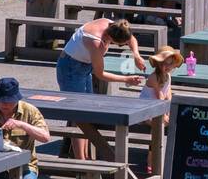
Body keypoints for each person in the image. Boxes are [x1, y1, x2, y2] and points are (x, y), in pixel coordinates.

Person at [56, 18, 145, 158]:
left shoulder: (114, 25)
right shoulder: (96, 42)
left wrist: (136, 55)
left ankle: (85, 155)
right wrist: (126, 79)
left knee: (87, 111)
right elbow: (100, 74)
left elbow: (131, 38)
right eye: (120, 45)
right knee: (78, 114)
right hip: (70, 68)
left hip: (84, 65)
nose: (122, 46)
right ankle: (81, 161)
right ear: (111, 38)